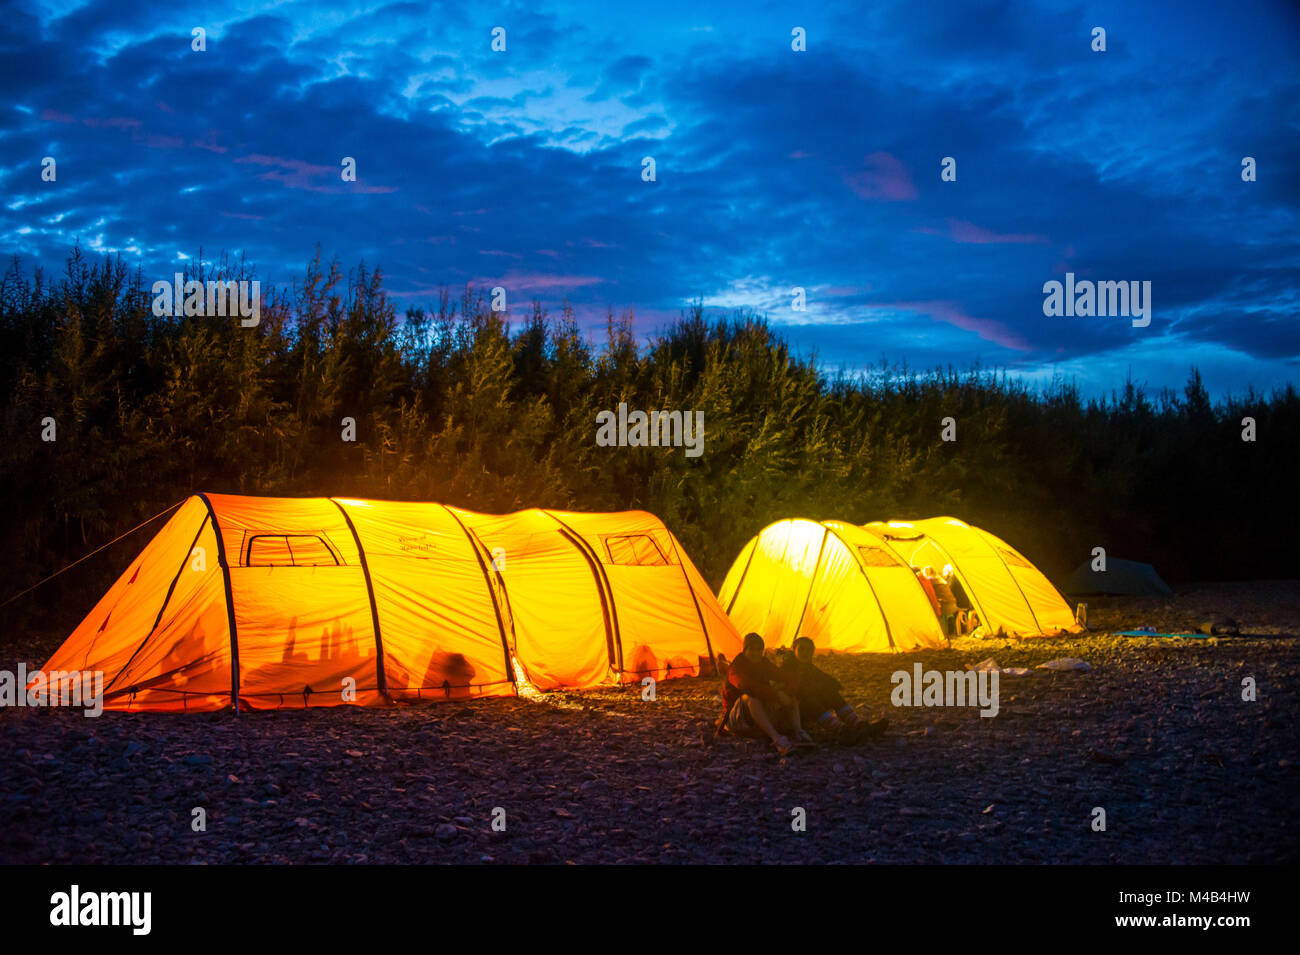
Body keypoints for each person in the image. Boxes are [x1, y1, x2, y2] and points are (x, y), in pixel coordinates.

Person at [715, 632, 811, 755]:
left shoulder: (763, 663)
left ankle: (798, 732)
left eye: (759, 649)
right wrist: (776, 695)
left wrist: (787, 692)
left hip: (758, 712)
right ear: (745, 650)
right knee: (750, 697)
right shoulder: (736, 668)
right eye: (752, 650)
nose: (756, 653)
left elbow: (786, 677)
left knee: (790, 695)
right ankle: (777, 739)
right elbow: (747, 686)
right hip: (736, 719)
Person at [780, 637, 887, 739]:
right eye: (801, 649)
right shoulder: (787, 668)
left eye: (808, 650)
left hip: (810, 706)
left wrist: (829, 689)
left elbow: (827, 681)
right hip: (794, 711)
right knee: (810, 700)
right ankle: (842, 732)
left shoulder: (809, 668)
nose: (805, 653)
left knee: (830, 693)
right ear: (794, 650)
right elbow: (794, 691)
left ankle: (858, 725)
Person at [926, 566, 959, 640]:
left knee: (934, 613)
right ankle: (953, 633)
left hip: (946, 606)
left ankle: (943, 635)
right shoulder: (941, 580)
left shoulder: (931, 580)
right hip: (953, 604)